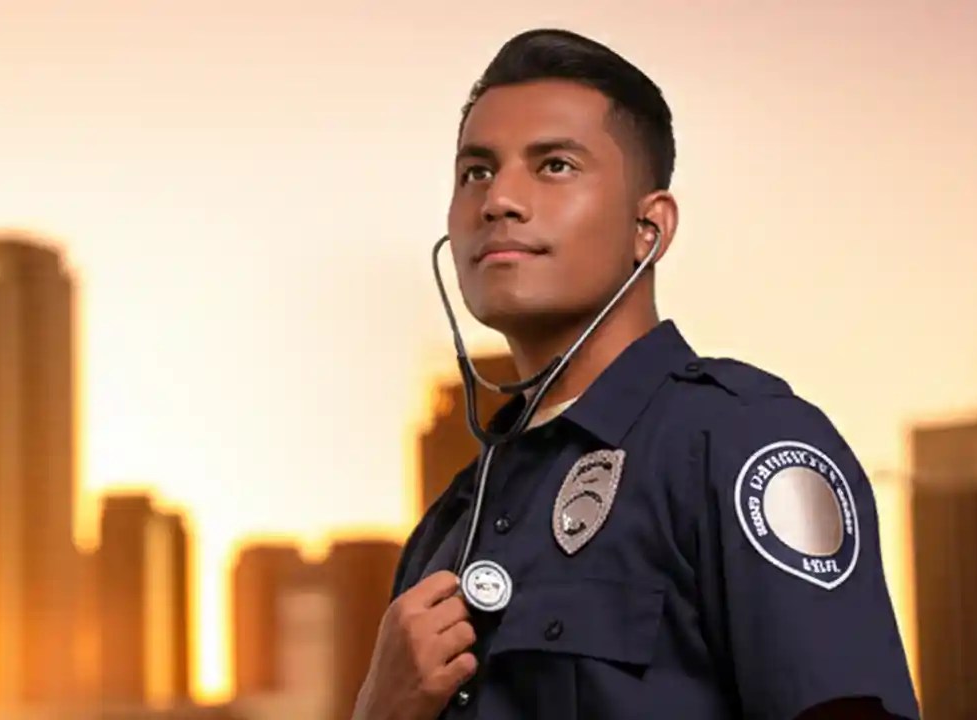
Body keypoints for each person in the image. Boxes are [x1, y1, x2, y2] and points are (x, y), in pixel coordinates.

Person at [351, 28, 920, 720]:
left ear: (647, 230)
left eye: (554, 165)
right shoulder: (450, 523)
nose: (499, 199)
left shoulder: (737, 441)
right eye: (476, 171)